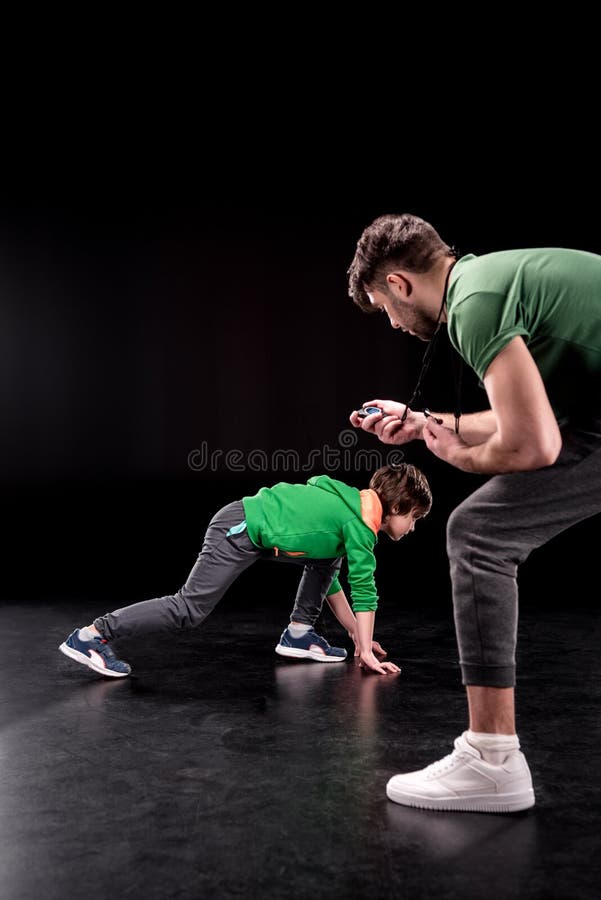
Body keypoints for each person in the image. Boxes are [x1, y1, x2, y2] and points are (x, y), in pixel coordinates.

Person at [347, 212, 601, 814]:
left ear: (400, 285)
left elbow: (534, 445)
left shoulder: (474, 305)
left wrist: (461, 457)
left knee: (478, 532)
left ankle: (492, 760)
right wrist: (428, 425)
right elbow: (533, 417)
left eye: (384, 306)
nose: (393, 323)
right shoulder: (488, 281)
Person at [59, 464, 432, 678]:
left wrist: (356, 635)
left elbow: (331, 579)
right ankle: (92, 636)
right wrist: (365, 650)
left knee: (324, 563)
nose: (413, 528)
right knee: (188, 609)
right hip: (238, 528)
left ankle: (299, 634)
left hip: (250, 528)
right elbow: (365, 590)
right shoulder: (360, 525)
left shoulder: (349, 509)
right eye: (414, 518)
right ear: (397, 506)